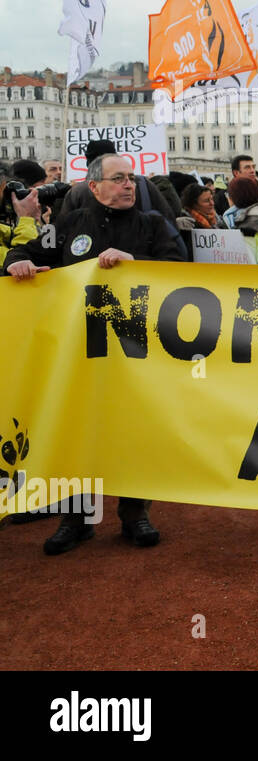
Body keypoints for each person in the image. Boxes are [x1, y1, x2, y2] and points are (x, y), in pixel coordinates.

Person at [5, 153, 184, 554]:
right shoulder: (70, 225)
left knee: (133, 430)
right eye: (119, 178)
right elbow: (23, 253)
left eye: (131, 178)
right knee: (77, 429)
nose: (129, 185)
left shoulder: (152, 224)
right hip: (79, 355)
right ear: (94, 187)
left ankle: (134, 513)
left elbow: (181, 269)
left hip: (136, 355)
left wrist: (135, 263)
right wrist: (19, 264)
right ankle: (76, 518)